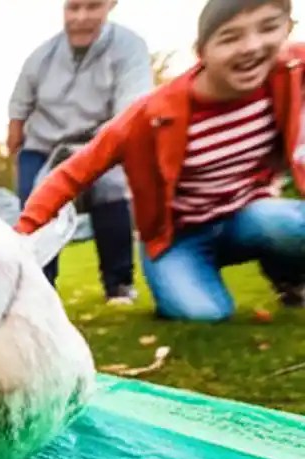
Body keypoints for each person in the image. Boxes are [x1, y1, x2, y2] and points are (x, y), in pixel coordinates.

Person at [16, 0, 305, 322]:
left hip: (247, 219)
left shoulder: (291, 71)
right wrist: (20, 237)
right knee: (204, 313)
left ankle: (289, 274)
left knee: (284, 223)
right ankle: (183, 278)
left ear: (287, 28)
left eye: (268, 28)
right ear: (202, 51)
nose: (251, 47)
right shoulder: (151, 115)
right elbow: (70, 174)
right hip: (179, 238)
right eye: (230, 37)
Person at [7, 0, 153, 305]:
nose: (81, 18)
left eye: (92, 7)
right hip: (42, 146)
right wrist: (18, 163)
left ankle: (119, 284)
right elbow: (18, 114)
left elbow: (131, 111)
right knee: (35, 205)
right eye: (73, 8)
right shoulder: (41, 58)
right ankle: (38, 287)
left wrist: (104, 154)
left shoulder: (129, 48)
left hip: (99, 141)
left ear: (111, 5)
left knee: (111, 187)